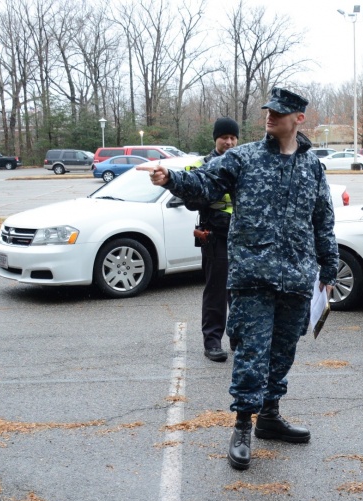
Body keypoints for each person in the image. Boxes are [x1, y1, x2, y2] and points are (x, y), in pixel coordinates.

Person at [142, 88, 338, 471]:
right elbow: (205, 184)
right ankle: (242, 427)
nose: (270, 117)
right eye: (268, 111)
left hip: (297, 278)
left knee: (282, 353)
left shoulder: (312, 166)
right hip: (251, 276)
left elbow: (323, 220)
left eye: (279, 113)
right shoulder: (244, 157)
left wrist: (327, 270)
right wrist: (170, 179)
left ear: (299, 119)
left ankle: (269, 417)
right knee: (250, 354)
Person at [188, 117, 239, 363]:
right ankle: (212, 342)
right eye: (224, 138)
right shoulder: (201, 164)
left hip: (242, 237)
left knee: (241, 290)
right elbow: (190, 199)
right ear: (215, 139)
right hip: (215, 234)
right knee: (216, 291)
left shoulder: (243, 163)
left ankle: (238, 338)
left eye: (232, 138)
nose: (228, 142)